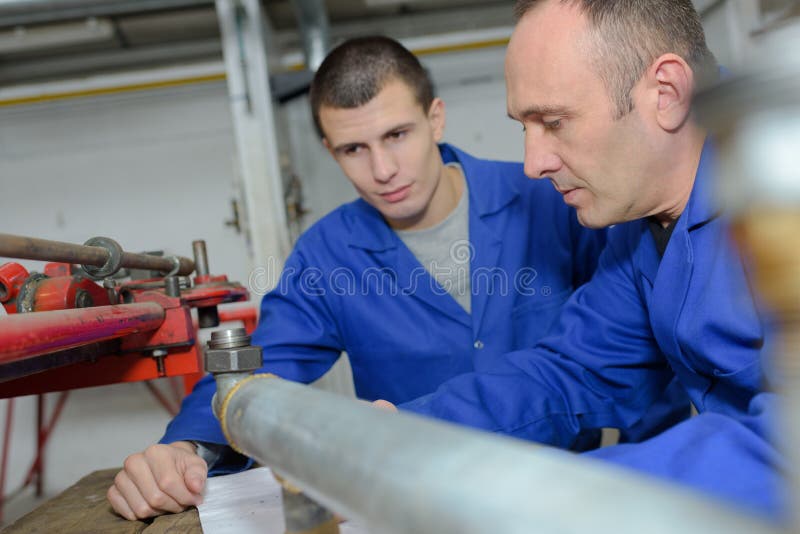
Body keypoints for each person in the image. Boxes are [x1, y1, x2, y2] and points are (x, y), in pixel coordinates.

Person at [106, 36, 614, 521]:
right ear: (330, 151)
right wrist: (183, 449)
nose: (383, 169)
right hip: (417, 507)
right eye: (354, 149)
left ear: (434, 119)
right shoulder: (327, 257)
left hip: (568, 494)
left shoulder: (549, 201)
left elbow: (630, 342)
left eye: (396, 135)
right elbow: (264, 368)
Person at [387, 0, 785, 519]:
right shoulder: (640, 223)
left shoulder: (781, 197)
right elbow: (573, 371)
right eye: (524, 127)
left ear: (666, 93)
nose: (533, 164)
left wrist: (540, 494)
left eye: (554, 121)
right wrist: (403, 430)